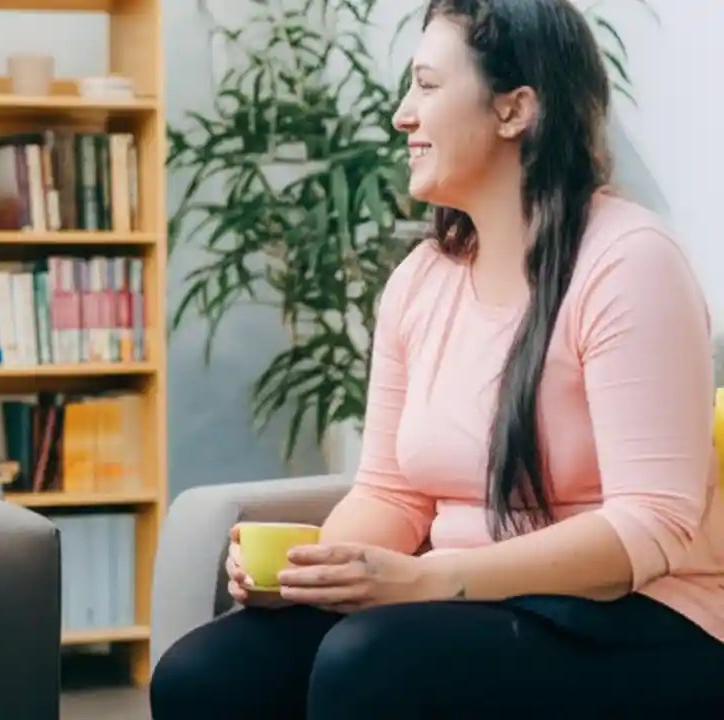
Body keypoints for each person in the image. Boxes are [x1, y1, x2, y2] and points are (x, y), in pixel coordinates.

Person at [150, 1, 724, 718]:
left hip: (640, 619)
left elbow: (651, 526)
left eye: (426, 85)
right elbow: (392, 493)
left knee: (373, 664)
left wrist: (430, 580)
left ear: (515, 110)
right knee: (206, 673)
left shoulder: (630, 262)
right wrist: (313, 570)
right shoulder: (423, 278)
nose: (401, 115)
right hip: (475, 604)